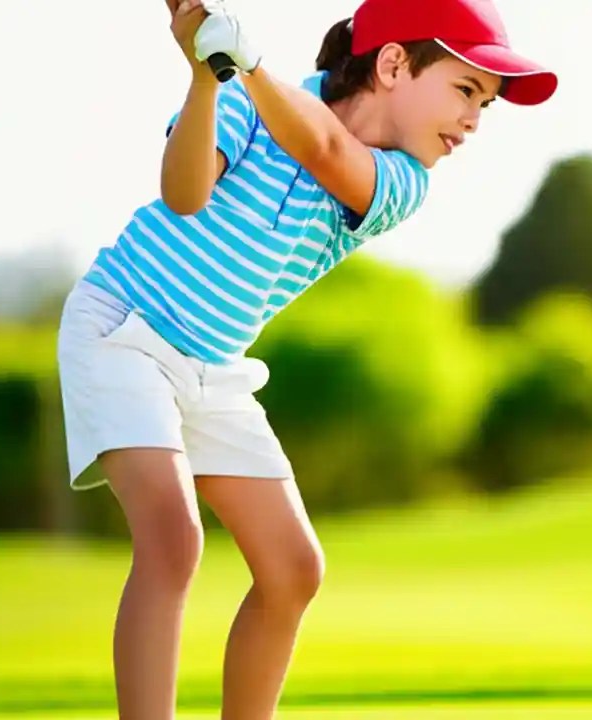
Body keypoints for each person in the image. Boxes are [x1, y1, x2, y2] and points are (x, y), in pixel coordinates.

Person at [54, 0, 556, 716]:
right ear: (391, 64)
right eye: (465, 90)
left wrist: (245, 66)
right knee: (172, 541)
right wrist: (205, 78)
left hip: (214, 363)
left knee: (292, 569)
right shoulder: (239, 100)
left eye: (486, 103)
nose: (476, 119)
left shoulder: (402, 181)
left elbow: (324, 150)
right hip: (123, 328)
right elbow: (182, 195)